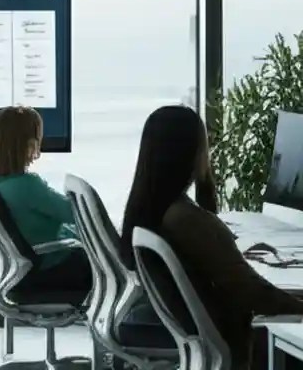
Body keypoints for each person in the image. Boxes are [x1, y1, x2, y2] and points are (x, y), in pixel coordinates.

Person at [121, 105, 303, 370]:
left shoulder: (157, 211)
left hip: (205, 338)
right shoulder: (186, 219)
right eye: (204, 145)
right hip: (237, 343)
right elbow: (250, 291)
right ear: (189, 154)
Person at [0, 105, 91, 298]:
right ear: (30, 144)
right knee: (112, 268)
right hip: (47, 273)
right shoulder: (27, 186)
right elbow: (75, 214)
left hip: (18, 274)